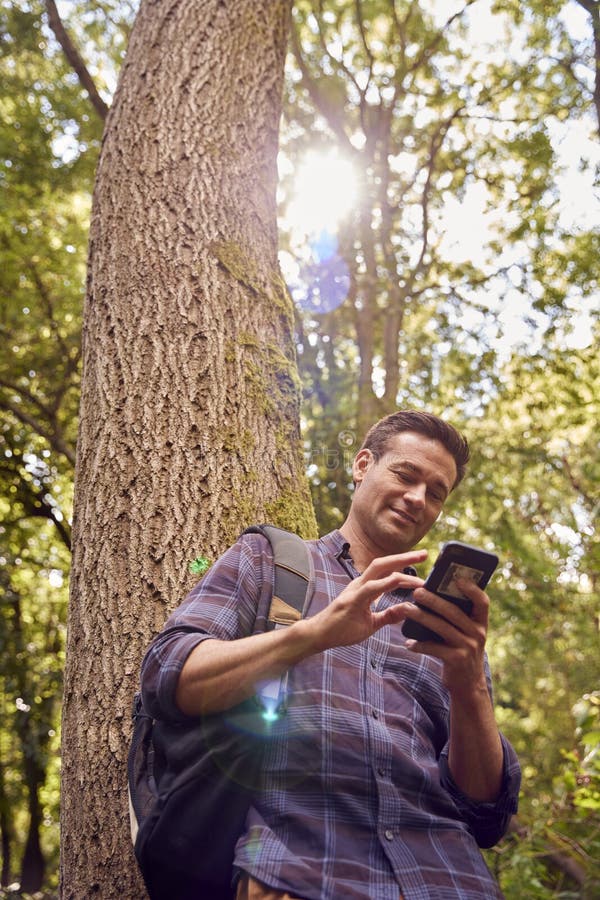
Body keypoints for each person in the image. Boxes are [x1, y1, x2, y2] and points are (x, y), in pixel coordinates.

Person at [140, 410, 521, 900]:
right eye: (405, 475)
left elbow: (485, 813)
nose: (417, 499)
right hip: (300, 877)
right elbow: (168, 677)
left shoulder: (445, 627)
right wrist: (314, 633)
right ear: (363, 465)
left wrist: (469, 684)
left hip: (449, 881)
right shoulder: (271, 561)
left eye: (436, 492)